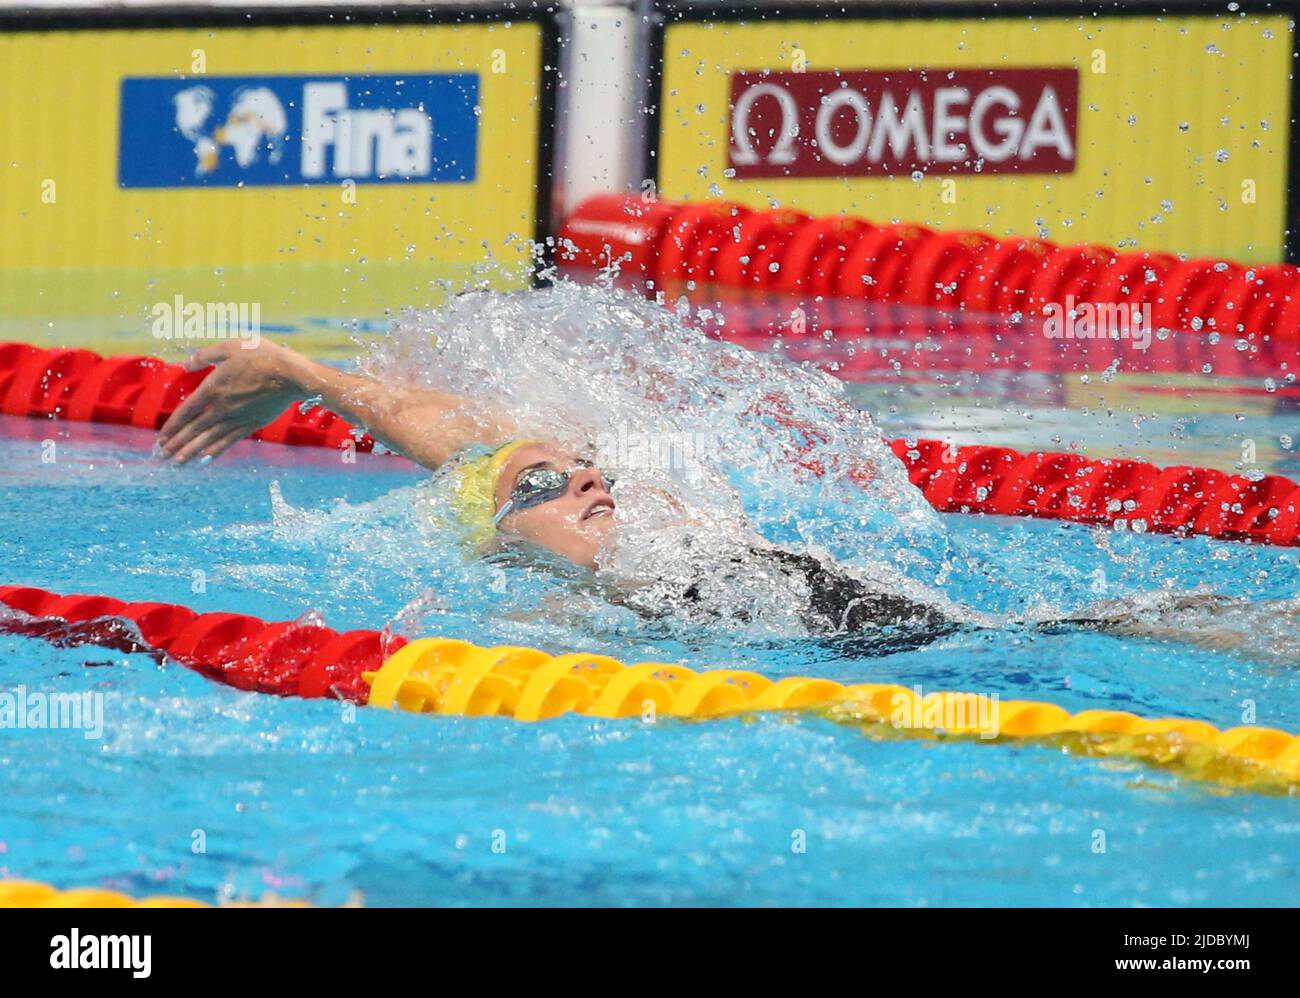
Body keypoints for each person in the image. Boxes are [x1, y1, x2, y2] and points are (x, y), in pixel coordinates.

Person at [157, 339, 1292, 657]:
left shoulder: (654, 549)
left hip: (869, 623)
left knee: (1090, 627)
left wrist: (296, 368)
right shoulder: (530, 608)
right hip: (849, 651)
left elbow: (448, 430)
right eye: (545, 483)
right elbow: (453, 449)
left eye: (582, 464)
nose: (586, 475)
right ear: (500, 535)